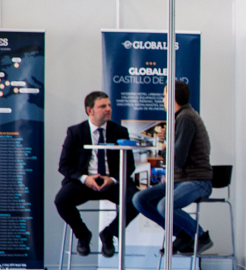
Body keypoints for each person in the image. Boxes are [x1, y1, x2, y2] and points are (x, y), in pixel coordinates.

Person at [132, 81, 214, 255]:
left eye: (164, 95)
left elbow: (176, 159)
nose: (163, 99)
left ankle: (201, 237)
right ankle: (182, 234)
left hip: (197, 181)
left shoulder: (185, 118)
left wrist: (163, 150)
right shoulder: (180, 118)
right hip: (181, 180)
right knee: (140, 199)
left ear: (172, 98)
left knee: (165, 206)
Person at [55, 91, 139, 258]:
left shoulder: (120, 131)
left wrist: (113, 179)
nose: (108, 109)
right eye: (102, 106)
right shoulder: (75, 132)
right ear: (90, 110)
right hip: (83, 182)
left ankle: (109, 234)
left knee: (137, 200)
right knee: (61, 201)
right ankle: (83, 235)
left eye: (109, 105)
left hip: (112, 182)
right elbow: (64, 165)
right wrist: (85, 179)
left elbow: (129, 165)